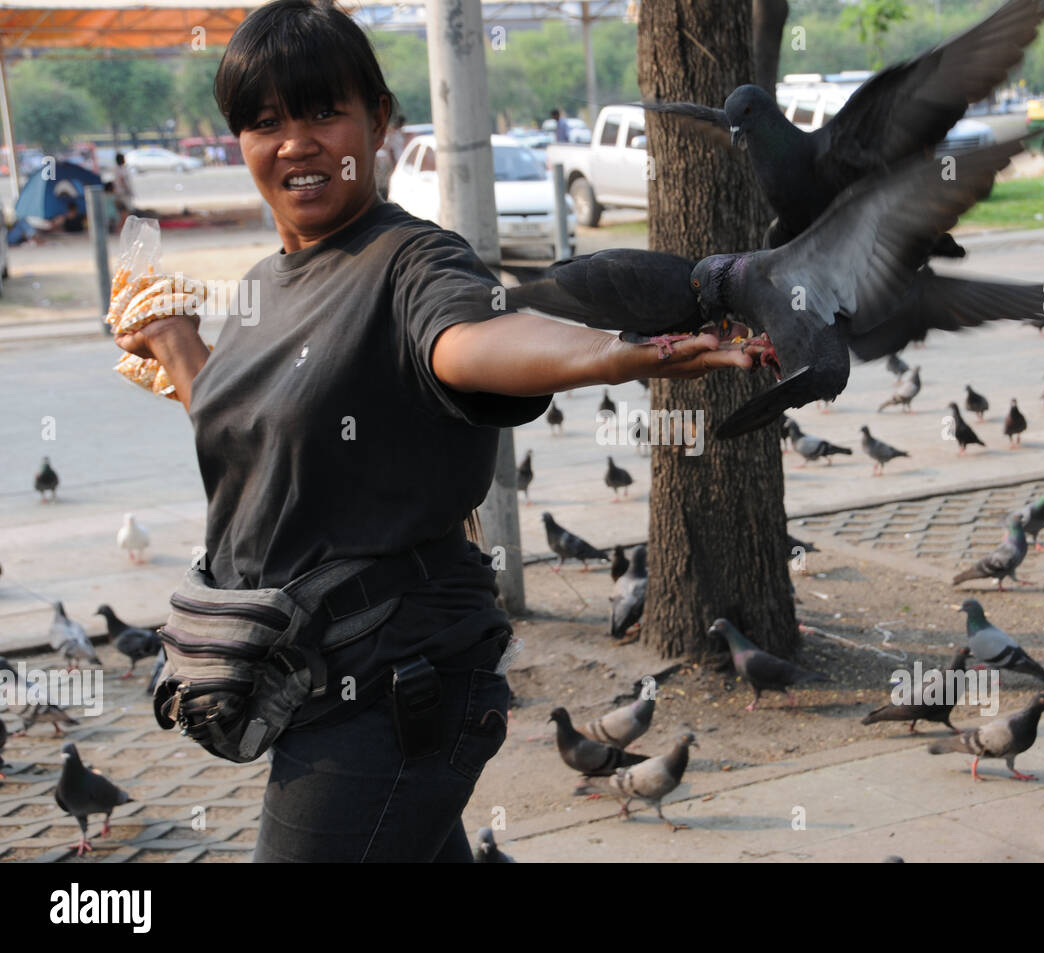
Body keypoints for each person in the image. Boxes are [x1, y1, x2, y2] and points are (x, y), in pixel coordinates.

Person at [112, 0, 753, 863]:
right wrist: (176, 342)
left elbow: (469, 341)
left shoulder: (414, 261)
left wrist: (606, 357)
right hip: (306, 675)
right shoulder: (268, 284)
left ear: (377, 120)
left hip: (392, 686)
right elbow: (272, 453)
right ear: (240, 141)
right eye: (265, 121)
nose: (295, 141)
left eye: (322, 111)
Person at [112, 153, 134, 232]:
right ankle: (126, 227)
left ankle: (122, 226)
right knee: (126, 210)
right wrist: (128, 190)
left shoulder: (115, 169)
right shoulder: (121, 169)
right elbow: (122, 180)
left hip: (119, 193)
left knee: (122, 211)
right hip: (124, 193)